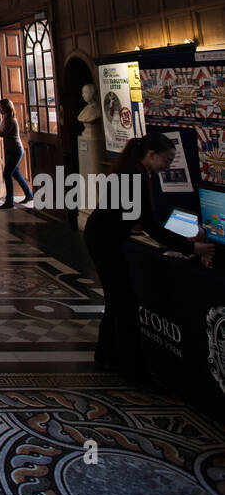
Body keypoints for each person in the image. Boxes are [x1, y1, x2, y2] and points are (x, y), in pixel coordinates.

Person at [83, 132, 214, 378]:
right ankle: (129, 366)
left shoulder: (134, 170)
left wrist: (182, 241)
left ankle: (107, 355)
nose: (167, 166)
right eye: (166, 160)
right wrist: (191, 247)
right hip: (104, 240)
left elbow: (139, 219)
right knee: (123, 302)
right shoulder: (133, 175)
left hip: (104, 236)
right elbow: (150, 226)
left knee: (117, 299)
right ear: (151, 155)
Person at [0, 99, 34, 208]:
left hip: (15, 150)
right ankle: (29, 194)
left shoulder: (10, 119)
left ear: (6, 107)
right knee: (16, 174)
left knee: (7, 174)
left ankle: (9, 201)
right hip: (11, 150)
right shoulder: (5, 118)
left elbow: (3, 134)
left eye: (0, 107)